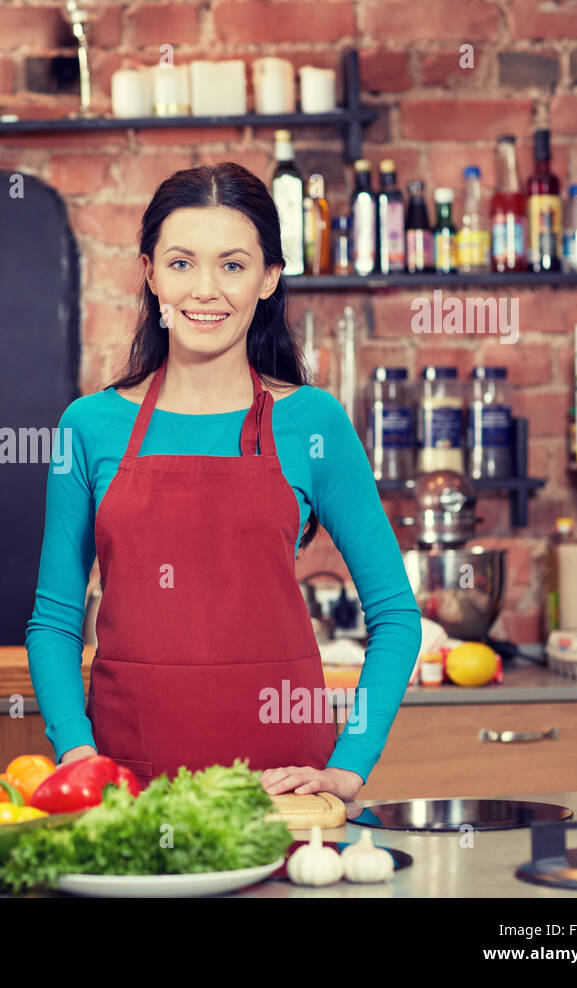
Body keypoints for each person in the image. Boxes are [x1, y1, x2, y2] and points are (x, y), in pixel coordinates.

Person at [26, 162, 421, 800]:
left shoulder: (312, 422)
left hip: (285, 792)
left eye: (232, 265)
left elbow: (396, 615)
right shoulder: (89, 427)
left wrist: (348, 768)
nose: (205, 290)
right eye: (182, 263)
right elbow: (54, 621)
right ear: (150, 273)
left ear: (268, 279)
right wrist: (79, 756)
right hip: (132, 789)